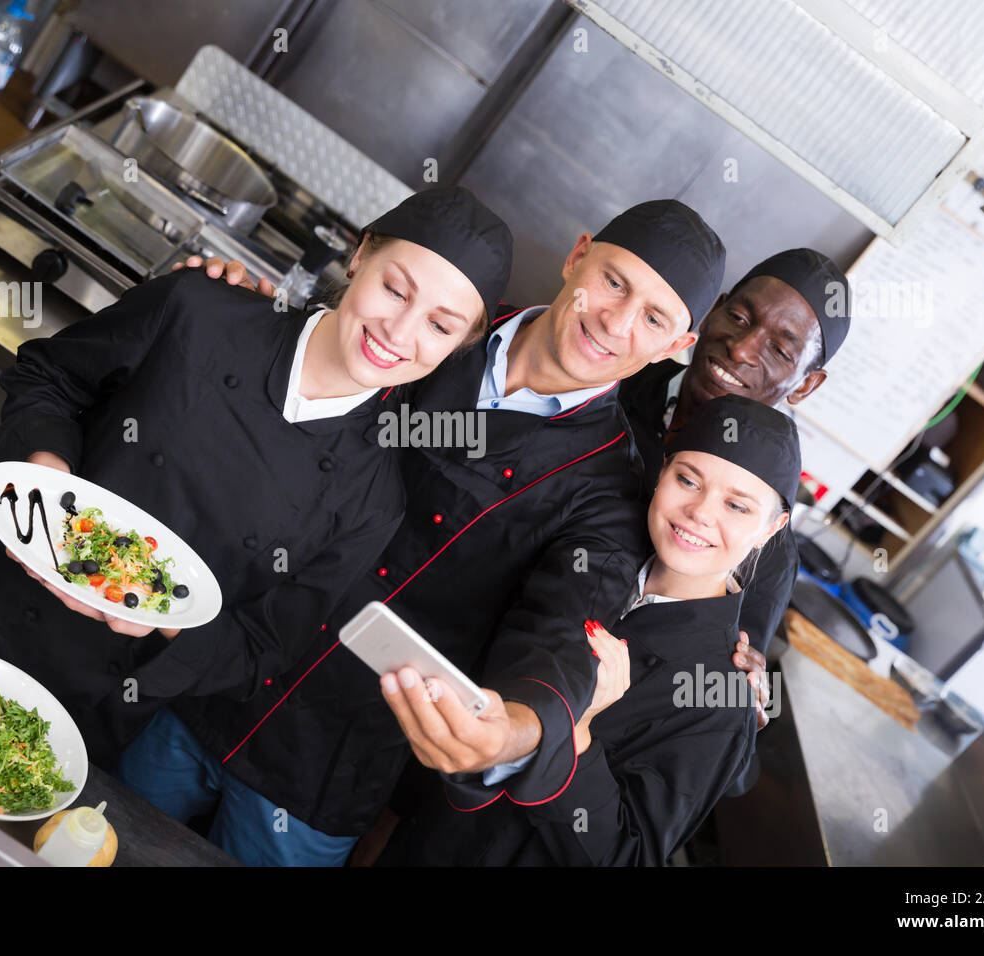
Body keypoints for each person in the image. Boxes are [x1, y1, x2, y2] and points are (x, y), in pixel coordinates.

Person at [121, 200, 727, 864]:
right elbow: (299, 369)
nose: (616, 321)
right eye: (614, 281)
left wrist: (517, 732)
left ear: (677, 346)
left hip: (321, 771)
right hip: (207, 671)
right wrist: (238, 314)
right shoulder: (435, 315)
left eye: (654, 317)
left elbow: (564, 632)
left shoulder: (609, 494)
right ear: (577, 255)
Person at [0, 186, 514, 786]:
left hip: (82, 712)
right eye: (395, 290)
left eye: (440, 325)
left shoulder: (372, 500)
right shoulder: (199, 309)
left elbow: (263, 647)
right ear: (359, 256)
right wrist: (43, 461)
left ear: (460, 346)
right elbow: (51, 379)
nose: (399, 334)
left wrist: (168, 624)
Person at [377, 394, 801, 865]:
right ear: (661, 473)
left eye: (737, 507)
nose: (701, 512)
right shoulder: (589, 560)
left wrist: (577, 729)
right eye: (687, 479)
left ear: (772, 527)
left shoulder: (720, 698)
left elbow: (628, 857)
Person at [617, 248, 852, 729]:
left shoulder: (766, 549)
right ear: (714, 308)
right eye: (740, 316)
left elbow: (731, 686)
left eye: (781, 350)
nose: (743, 349)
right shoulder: (615, 379)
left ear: (806, 386)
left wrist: (747, 689)